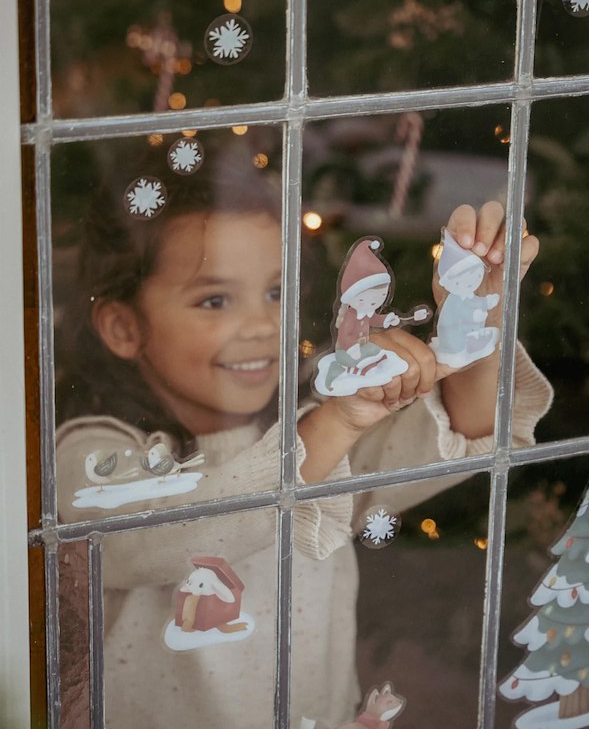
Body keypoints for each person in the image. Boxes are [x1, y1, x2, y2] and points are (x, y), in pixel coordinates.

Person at [55, 160, 552, 728]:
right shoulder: (95, 455)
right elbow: (162, 533)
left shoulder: (311, 428)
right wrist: (336, 423)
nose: (264, 325)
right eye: (215, 301)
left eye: (275, 292)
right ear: (124, 328)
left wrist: (476, 317)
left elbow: (463, 433)